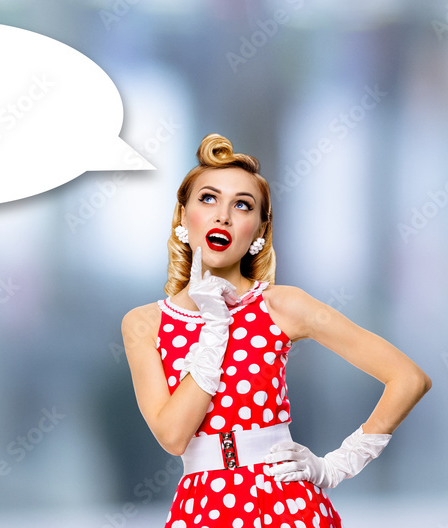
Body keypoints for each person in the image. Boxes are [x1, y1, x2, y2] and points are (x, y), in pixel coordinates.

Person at [120, 133, 431, 527]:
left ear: (259, 229)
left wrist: (336, 465)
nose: (223, 216)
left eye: (242, 205)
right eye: (209, 198)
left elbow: (408, 379)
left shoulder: (281, 305)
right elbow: (173, 436)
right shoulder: (144, 323)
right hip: (201, 507)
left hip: (284, 503)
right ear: (183, 215)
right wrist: (215, 328)